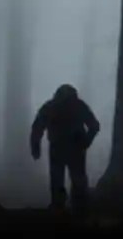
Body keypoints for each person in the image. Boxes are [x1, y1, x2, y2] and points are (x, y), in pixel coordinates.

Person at [30, 84, 100, 214]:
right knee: (75, 178)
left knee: (59, 178)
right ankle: (77, 207)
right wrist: (86, 141)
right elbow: (94, 126)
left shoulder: (51, 106)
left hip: (60, 147)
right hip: (74, 148)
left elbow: (37, 127)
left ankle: (61, 206)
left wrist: (35, 147)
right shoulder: (78, 106)